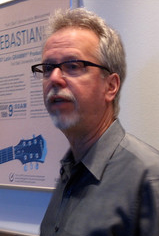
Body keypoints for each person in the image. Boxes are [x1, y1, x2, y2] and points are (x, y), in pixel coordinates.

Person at [31, 8, 159, 236]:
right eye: (48, 68)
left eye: (73, 66)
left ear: (110, 86)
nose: (54, 78)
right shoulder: (70, 171)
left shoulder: (148, 177)